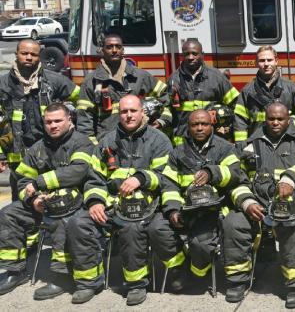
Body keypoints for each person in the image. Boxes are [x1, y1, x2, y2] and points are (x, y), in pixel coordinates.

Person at [67, 95, 173, 306]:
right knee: (78, 222)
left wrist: (141, 178)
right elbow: (94, 177)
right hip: (111, 204)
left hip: (145, 206)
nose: (129, 115)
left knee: (131, 227)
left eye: (133, 111)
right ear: (118, 114)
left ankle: (136, 284)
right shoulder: (107, 141)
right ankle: (88, 282)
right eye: (124, 111)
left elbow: (167, 177)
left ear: (143, 112)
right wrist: (95, 201)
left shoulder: (159, 140)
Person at [0, 103, 100, 302]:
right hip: (44, 202)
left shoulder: (82, 143)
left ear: (69, 120)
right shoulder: (38, 147)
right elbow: (22, 179)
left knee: (62, 219)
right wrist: (33, 200)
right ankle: (15, 270)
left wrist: (39, 182)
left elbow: (77, 172)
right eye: (48, 122)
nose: (53, 125)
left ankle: (63, 276)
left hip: (76, 204)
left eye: (58, 121)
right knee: (8, 213)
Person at [236, 102, 295, 308]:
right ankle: (237, 280)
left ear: (289, 119)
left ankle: (294, 285)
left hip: (291, 204)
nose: (275, 122)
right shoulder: (251, 143)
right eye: (271, 119)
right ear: (264, 119)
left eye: (280, 119)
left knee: (293, 228)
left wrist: (290, 179)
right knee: (233, 223)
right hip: (258, 202)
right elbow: (237, 175)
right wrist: (247, 202)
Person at [158, 109, 247, 302]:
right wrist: (172, 209)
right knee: (158, 229)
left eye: (204, 124)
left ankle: (197, 274)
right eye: (194, 124)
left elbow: (236, 174)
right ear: (188, 127)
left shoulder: (225, 148)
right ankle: (178, 269)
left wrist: (212, 172)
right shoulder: (177, 152)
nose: (199, 128)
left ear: (212, 125)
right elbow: (168, 184)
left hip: (211, 211)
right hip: (184, 210)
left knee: (201, 244)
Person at [0, 39, 79, 200]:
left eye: (33, 54)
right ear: (16, 55)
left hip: (51, 153)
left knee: (53, 201)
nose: (29, 57)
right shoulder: (3, 84)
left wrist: (72, 127)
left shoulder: (54, 80)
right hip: (18, 159)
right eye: (24, 53)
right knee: (22, 203)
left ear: (39, 57)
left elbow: (83, 101)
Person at [76, 34, 171, 141]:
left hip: (141, 141)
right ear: (102, 51)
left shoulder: (140, 76)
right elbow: (84, 119)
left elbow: (165, 97)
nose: (114, 50)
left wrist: (162, 121)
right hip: (109, 143)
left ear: (123, 50)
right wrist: (93, 147)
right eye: (109, 47)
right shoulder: (91, 81)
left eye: (118, 46)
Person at [233, 46, 295, 144]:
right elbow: (240, 122)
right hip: (258, 145)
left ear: (276, 61)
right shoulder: (247, 92)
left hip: (288, 145)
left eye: (269, 60)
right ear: (256, 63)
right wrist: (242, 147)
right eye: (262, 60)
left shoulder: (292, 88)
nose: (266, 64)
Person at [167, 39, 240, 145]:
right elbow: (168, 108)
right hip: (183, 141)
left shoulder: (216, 77)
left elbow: (236, 105)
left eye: (194, 53)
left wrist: (227, 126)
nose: (190, 57)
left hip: (213, 138)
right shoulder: (174, 79)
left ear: (202, 54)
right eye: (186, 54)